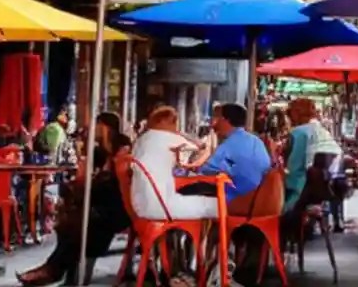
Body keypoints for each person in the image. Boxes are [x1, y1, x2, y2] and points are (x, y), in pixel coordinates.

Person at [18, 112, 133, 286]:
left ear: (105, 127)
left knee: (85, 224)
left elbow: (116, 184)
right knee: (71, 223)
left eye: (97, 125)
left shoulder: (122, 149)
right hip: (99, 204)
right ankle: (60, 272)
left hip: (117, 207)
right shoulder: (98, 151)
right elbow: (83, 175)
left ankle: (54, 270)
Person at [130, 106, 217, 221]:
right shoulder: (170, 138)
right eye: (174, 121)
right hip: (161, 205)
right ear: (162, 122)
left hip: (139, 204)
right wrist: (180, 134)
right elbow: (201, 149)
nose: (176, 125)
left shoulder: (142, 139)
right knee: (218, 205)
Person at [189, 103, 271, 214]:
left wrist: (191, 170)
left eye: (217, 118)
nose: (215, 122)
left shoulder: (228, 145)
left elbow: (205, 172)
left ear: (225, 120)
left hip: (236, 200)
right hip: (259, 199)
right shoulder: (256, 141)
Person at [282, 98, 343, 211]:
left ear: (295, 114)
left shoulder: (299, 132)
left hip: (302, 188)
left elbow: (294, 167)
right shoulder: (322, 130)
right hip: (328, 185)